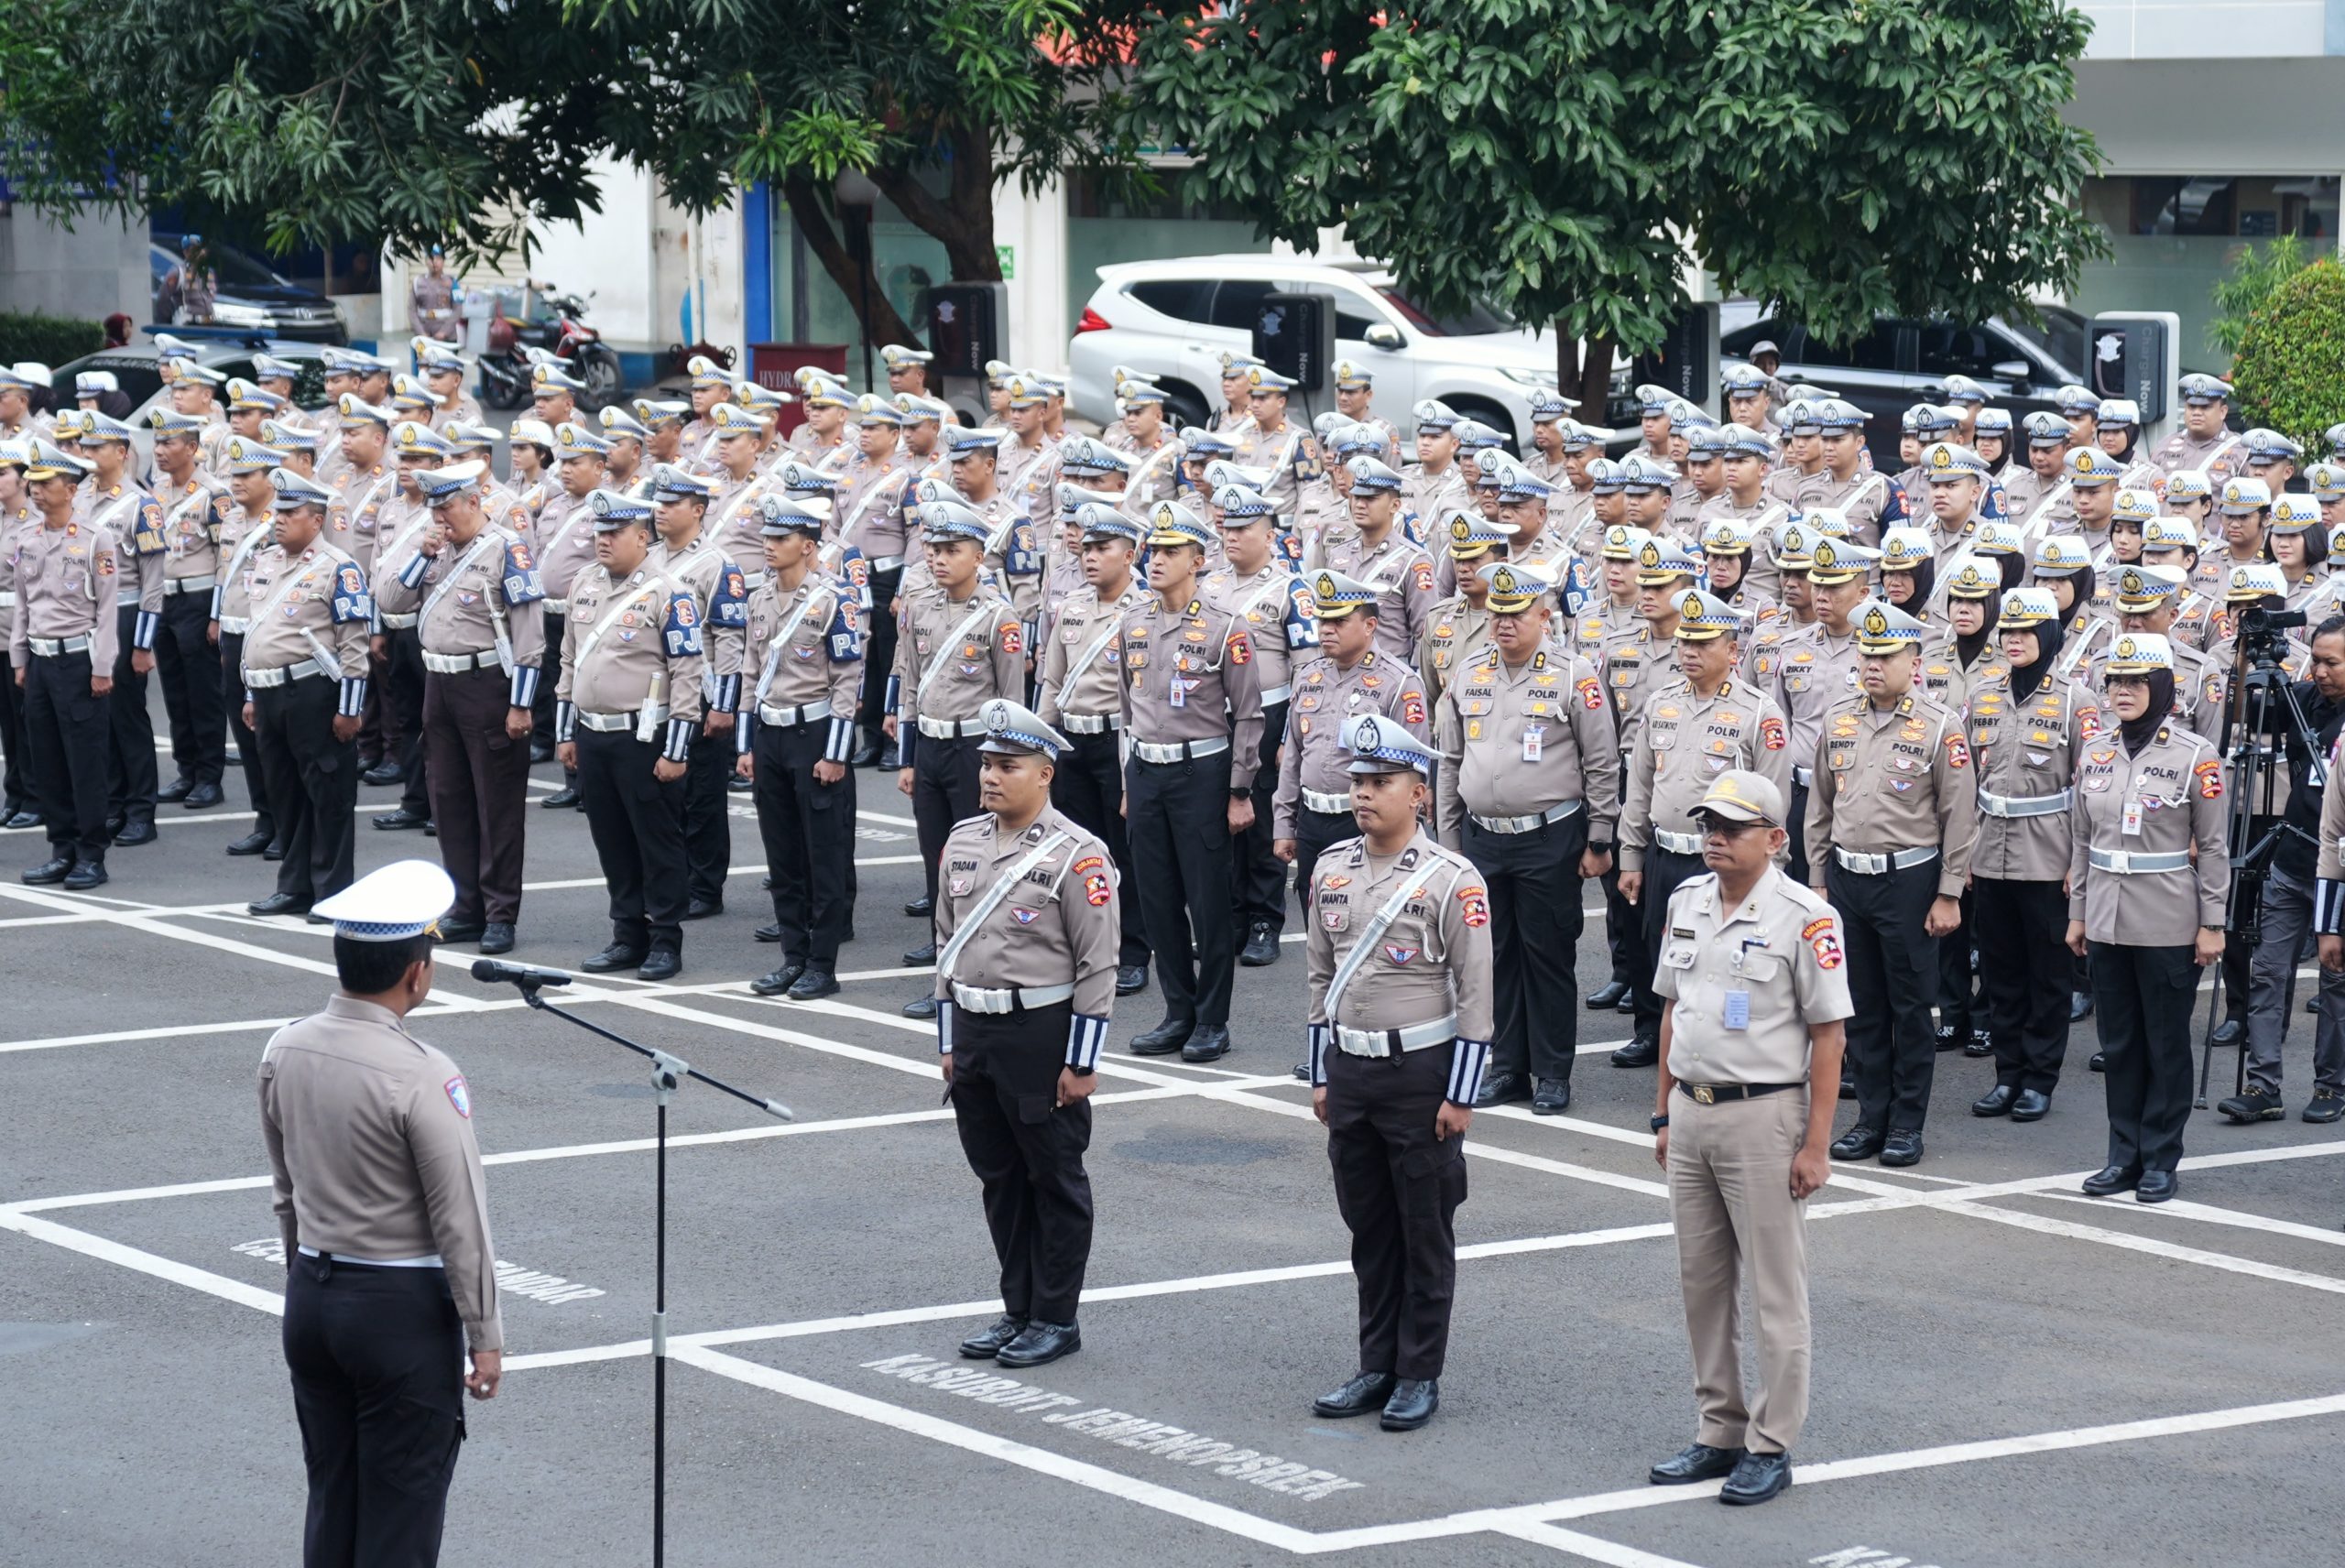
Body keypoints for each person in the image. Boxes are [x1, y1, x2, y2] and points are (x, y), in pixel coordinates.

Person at [261, 858, 503, 1568]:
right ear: (417, 973)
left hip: (313, 1296)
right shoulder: (423, 1072)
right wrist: (485, 1334)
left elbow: (286, 1190)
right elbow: (459, 1217)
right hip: (398, 1310)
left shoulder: (284, 1046)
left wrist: (303, 1276)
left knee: (333, 1501)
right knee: (400, 1520)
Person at [1647, 769, 1850, 1509]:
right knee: (1702, 1285)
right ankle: (1719, 1429)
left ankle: (1771, 1443)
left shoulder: (1806, 917)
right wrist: (1663, 1113)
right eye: (1709, 825)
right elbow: (1672, 1011)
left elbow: (1829, 1036)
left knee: (1774, 1292)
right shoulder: (1687, 900)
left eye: (1733, 828)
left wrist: (1816, 1145)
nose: (1716, 838)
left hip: (1764, 1115)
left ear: (1774, 838)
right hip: (1694, 1111)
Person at [1300, 713, 1492, 1434]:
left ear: (1419, 794)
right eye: (1358, 781)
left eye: (1381, 782)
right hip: (1352, 1070)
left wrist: (1461, 1094)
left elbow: (1477, 993)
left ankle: (1418, 1372)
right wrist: (1321, 1075)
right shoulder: (1331, 868)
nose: (1363, 794)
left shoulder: (1452, 879)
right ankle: (1375, 1365)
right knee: (1370, 1228)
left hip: (1420, 1072)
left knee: (1423, 1228)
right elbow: (1319, 977)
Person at [936, 698, 1119, 1373]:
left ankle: (1055, 1317)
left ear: (1044, 774)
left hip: (1040, 1032)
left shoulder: (1078, 855)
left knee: (1053, 1177)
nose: (990, 776)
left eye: (1007, 766)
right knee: (1000, 1179)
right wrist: (949, 1042)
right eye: (987, 763)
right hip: (975, 1030)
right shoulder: (962, 841)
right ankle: (1017, 1308)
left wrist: (1082, 1062)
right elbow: (945, 943)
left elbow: (1099, 964)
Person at [1435, 561, 1618, 1113]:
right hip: (1483, 837)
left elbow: (1602, 761)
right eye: (1497, 613)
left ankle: (1553, 1072)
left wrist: (1601, 836)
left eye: (1516, 613)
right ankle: (1508, 1067)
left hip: (1548, 836)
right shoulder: (1470, 671)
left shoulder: (1572, 674)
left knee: (1547, 956)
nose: (1504, 623)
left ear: (1544, 615)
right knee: (1493, 957)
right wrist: (1448, 840)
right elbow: (1450, 761)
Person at [1808, 600, 1979, 1168]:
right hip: (1848, 880)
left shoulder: (1939, 725)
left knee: (1909, 1008)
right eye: (1867, 655)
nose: (1873, 665)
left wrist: (1949, 892)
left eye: (1886, 656)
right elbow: (1820, 807)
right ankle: (1870, 1118)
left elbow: (1960, 815)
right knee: (1860, 1008)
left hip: (1908, 881)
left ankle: (1907, 1124)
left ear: (1915, 661)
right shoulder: (1839, 718)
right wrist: (1818, 878)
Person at [2068, 632, 2230, 1203]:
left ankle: (2160, 1158)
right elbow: (2081, 841)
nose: (2124, 691)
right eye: (2116, 681)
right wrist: (2078, 913)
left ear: (2162, 686)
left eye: (2137, 681)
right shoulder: (2096, 750)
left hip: (2167, 919)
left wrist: (2213, 922)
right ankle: (2122, 1156)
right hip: (2105, 918)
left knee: (2164, 1044)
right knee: (2118, 1045)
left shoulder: (2195, 755)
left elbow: (2214, 848)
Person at [1116, 500, 1267, 1062]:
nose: (1155, 560)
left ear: (1197, 561)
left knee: (1207, 903)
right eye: (1152, 550)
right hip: (1145, 772)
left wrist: (1239, 790)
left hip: (1200, 772)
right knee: (1157, 899)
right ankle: (1177, 1012)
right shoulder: (1133, 622)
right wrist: (1128, 784)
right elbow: (1126, 713)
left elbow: (1248, 715)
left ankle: (1211, 1019)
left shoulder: (1227, 627)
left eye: (1170, 551)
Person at [1619, 587, 1795, 1063]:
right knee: (1660, 948)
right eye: (1685, 642)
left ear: (1733, 651)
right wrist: (1631, 855)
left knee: (1725, 956)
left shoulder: (1759, 713)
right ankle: (1654, 1034)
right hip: (1664, 853)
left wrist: (1770, 873)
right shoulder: (1660, 703)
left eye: (1702, 643)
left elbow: (1774, 802)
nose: (1689, 652)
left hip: (1724, 861)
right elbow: (1640, 786)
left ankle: (1720, 1045)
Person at [376, 461, 547, 956]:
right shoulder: (433, 550)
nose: (440, 518)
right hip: (439, 682)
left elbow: (530, 635)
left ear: (474, 502)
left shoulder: (507, 549)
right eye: (434, 510)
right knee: (448, 798)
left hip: (487, 682)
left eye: (447, 507)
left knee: (497, 805)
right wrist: (421, 554)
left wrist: (521, 705)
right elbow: (391, 601)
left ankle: (499, 913)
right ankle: (464, 906)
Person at [554, 489, 707, 980]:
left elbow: (688, 675)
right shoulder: (584, 582)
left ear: (643, 538)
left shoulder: (669, 593)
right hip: (593, 734)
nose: (603, 540)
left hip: (643, 738)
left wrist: (676, 750)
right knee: (612, 841)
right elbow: (568, 661)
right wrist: (565, 733)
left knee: (656, 842)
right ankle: (627, 935)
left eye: (615, 532)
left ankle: (665, 940)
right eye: (600, 532)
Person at [1963, 586, 2096, 1121]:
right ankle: (2007, 1074)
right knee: (2000, 973)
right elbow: (1966, 781)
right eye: (2008, 632)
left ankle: (2040, 1078)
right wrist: (1963, 854)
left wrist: (2077, 864)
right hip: (1989, 850)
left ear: (2048, 634)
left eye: (2025, 631)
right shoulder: (1982, 695)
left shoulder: (2075, 701)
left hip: (2048, 853)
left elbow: (2089, 789)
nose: (2014, 640)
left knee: (2048, 975)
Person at [893, 500, 1028, 1009]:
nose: (939, 559)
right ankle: (944, 973)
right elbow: (910, 686)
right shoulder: (918, 607)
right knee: (938, 861)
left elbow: (1011, 701)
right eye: (934, 549)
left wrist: (1006, 769)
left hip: (976, 751)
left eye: (952, 550)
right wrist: (908, 759)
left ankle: (984, 971)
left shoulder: (999, 617)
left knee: (980, 865)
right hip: (930, 746)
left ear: (978, 556)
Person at [738, 496, 864, 1000]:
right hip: (770, 734)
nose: (769, 546)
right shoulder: (759, 599)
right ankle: (793, 956)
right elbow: (750, 674)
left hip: (814, 735)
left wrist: (835, 754)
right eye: (767, 537)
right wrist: (746, 745)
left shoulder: (834, 600)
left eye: (781, 538)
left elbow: (847, 681)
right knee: (782, 854)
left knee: (824, 856)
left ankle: (822, 964)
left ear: (808, 546)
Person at [2223, 615, 2345, 1125]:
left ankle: (2331, 1086)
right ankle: (2262, 1084)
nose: (2319, 671)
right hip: (2292, 860)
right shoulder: (2303, 699)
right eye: (2314, 660)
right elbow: (2245, 713)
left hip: (2340, 870)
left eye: (2332, 663)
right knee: (2269, 973)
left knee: (2336, 982)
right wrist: (2248, 661)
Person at [239, 470, 373, 916]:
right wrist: (251, 694)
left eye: (290, 512)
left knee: (328, 794)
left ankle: (332, 890)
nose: (278, 519)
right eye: (277, 511)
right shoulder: (267, 560)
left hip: (312, 692)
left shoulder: (339, 567)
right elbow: (257, 630)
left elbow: (354, 644)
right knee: (285, 793)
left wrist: (350, 709)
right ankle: (294, 885)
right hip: (269, 693)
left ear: (316, 521)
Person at [1035, 503, 1153, 997]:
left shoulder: (1145, 610)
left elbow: (1144, 696)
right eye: (1086, 548)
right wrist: (1041, 746)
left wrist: (1131, 770)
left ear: (1129, 555)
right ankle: (1084, 946)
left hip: (1116, 741)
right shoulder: (1071, 606)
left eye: (1102, 548)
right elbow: (1052, 681)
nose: (1089, 557)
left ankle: (1134, 951)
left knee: (1124, 851)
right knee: (1075, 851)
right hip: (1071, 742)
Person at [1205, 483, 1316, 966]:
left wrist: (1292, 733)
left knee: (1264, 819)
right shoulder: (1210, 585)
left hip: (1271, 714)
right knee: (1220, 816)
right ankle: (1231, 917)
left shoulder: (1291, 588)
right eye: (1227, 528)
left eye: (1243, 529)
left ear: (1269, 535)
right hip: (1217, 715)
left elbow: (1308, 668)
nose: (1231, 536)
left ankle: (1266, 920)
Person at [11, 441, 120, 888]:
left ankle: (91, 854)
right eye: (33, 483)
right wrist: (19, 657)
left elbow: (108, 609)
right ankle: (62, 849)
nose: (36, 490)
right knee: (48, 760)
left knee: (85, 762)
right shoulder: (27, 538)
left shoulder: (95, 538)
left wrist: (103, 667)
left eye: (46, 483)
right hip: (39, 661)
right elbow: (23, 604)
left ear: (71, 489)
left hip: (78, 661)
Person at [409, 245, 463, 346]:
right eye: (431, 258)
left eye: (438, 258)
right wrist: (420, 332)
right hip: (424, 336)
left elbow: (458, 309)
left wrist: (444, 332)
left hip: (447, 337)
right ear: (426, 261)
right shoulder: (417, 282)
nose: (434, 262)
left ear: (443, 261)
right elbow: (411, 310)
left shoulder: (452, 282)